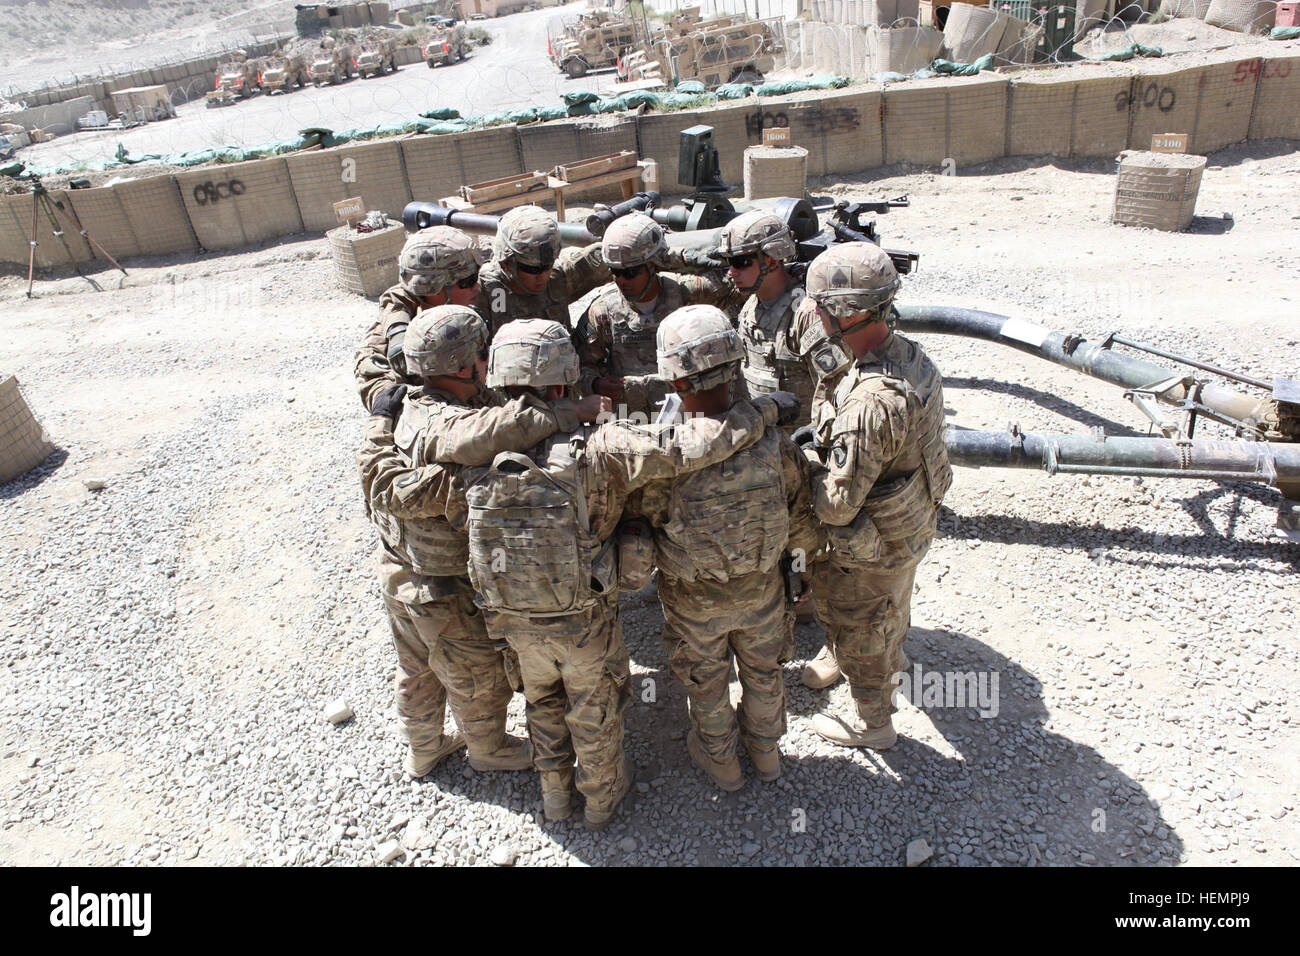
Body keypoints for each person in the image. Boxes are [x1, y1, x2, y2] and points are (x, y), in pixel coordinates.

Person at [460, 318, 797, 827]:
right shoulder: (600, 449)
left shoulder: (469, 446)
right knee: (592, 708)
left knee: (541, 701)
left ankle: (554, 795)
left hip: (511, 618)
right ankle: (601, 800)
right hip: (583, 616)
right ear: (565, 377)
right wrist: (763, 413)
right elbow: (682, 449)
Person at [358, 305, 605, 777]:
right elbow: (487, 433)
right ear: (465, 363)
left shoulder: (407, 407)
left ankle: (424, 746)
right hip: (441, 582)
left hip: (398, 568)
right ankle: (488, 750)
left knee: (419, 667)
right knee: (477, 676)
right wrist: (566, 411)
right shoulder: (445, 427)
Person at [635, 304, 820, 790]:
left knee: (706, 679)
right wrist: (805, 578)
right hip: (763, 593)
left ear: (674, 382)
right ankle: (765, 752)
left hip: (694, 601)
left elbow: (642, 528)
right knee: (764, 672)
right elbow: (802, 521)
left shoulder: (662, 457)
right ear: (736, 367)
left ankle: (721, 760)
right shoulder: (776, 445)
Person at [797, 243, 952, 750]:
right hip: (912, 520)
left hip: (876, 541)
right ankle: (884, 653)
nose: (815, 312)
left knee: (861, 620)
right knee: (893, 599)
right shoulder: (909, 356)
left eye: (821, 305)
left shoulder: (870, 403)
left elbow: (838, 505)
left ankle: (873, 723)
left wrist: (799, 471)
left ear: (848, 312)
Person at [575, 212, 747, 419]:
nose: (621, 280)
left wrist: (676, 258)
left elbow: (738, 276)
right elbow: (579, 365)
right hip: (632, 419)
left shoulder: (688, 293)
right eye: (615, 271)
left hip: (689, 414)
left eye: (630, 272)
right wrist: (595, 383)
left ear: (653, 265)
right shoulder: (602, 312)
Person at [354, 226, 487, 411]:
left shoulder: (475, 302)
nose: (477, 287)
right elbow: (394, 409)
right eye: (468, 281)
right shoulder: (382, 345)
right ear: (434, 289)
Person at [713, 210, 820, 432]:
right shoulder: (751, 305)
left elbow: (833, 391)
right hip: (763, 441)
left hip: (800, 448)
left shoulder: (805, 314)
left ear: (771, 260)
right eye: (728, 263)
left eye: (740, 261)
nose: (731, 272)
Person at [476, 205, 609, 336]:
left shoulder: (560, 274)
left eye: (547, 266)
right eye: (532, 269)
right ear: (506, 264)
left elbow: (612, 261)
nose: (543, 276)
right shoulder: (483, 290)